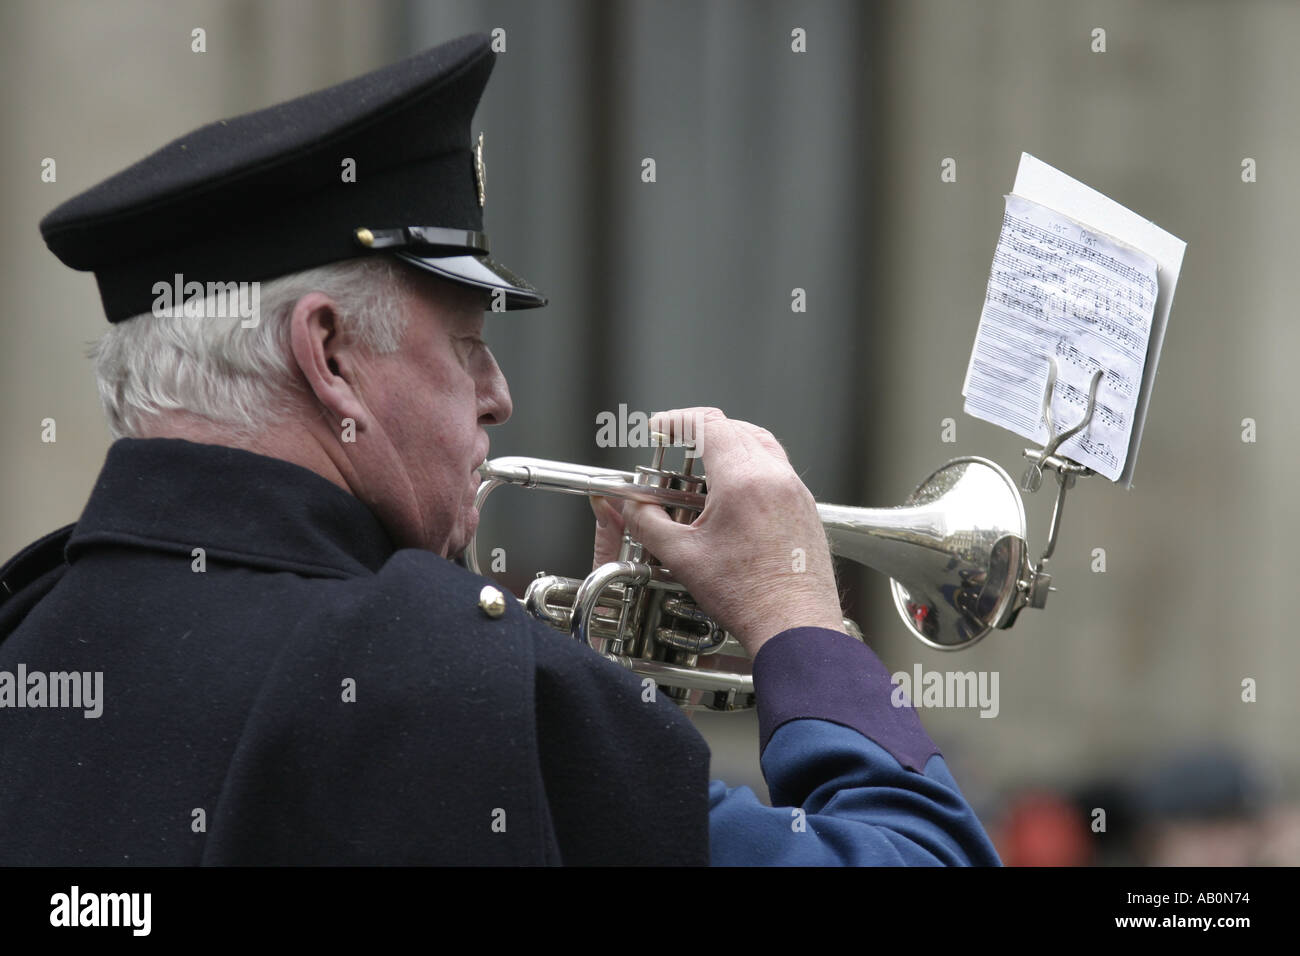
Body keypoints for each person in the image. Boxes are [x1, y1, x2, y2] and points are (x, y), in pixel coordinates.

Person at [0, 33, 1000, 866]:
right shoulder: (443, 677)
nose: (501, 397)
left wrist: (592, 688)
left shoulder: (26, 634)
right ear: (331, 356)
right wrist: (797, 617)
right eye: (469, 346)